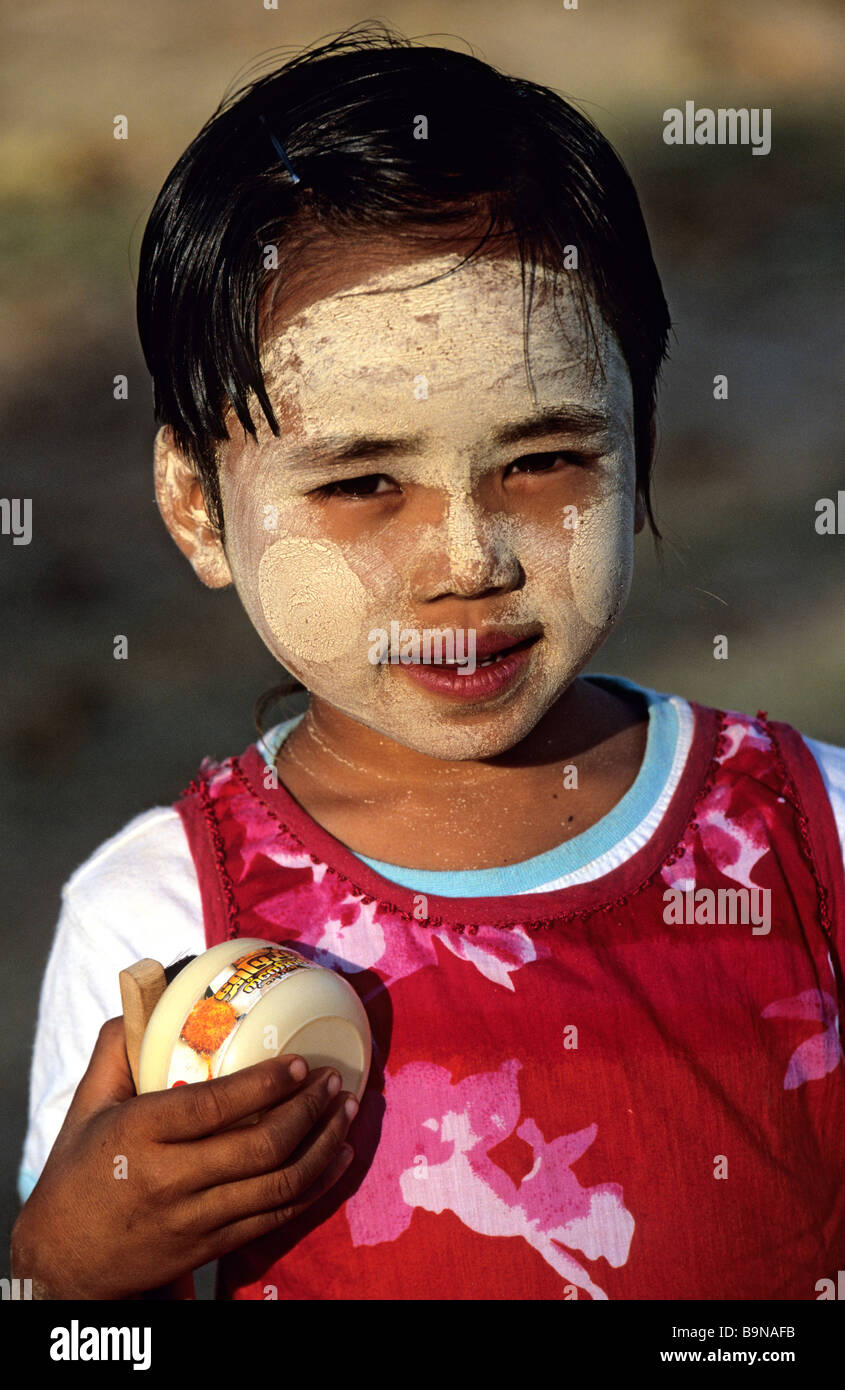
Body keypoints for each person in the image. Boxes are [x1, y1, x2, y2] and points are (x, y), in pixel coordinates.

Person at [12, 23, 845, 1301]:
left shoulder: (810, 842)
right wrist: (66, 1279)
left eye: (542, 459)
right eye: (360, 482)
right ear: (194, 506)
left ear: (642, 445)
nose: (467, 556)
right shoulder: (160, 925)